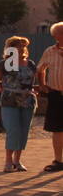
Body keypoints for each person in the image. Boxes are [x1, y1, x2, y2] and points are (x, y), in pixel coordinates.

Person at [0, 36, 38, 173]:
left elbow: (31, 81)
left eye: (22, 46)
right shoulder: (6, 63)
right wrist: (5, 87)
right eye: (17, 46)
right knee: (13, 130)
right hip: (9, 100)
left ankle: (17, 161)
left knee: (23, 131)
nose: (21, 48)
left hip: (27, 101)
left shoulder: (30, 63)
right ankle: (8, 160)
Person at [35, 22, 63, 172]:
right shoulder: (50, 51)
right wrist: (42, 84)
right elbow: (40, 69)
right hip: (56, 95)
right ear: (56, 36)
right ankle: (58, 161)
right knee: (57, 129)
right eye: (60, 33)